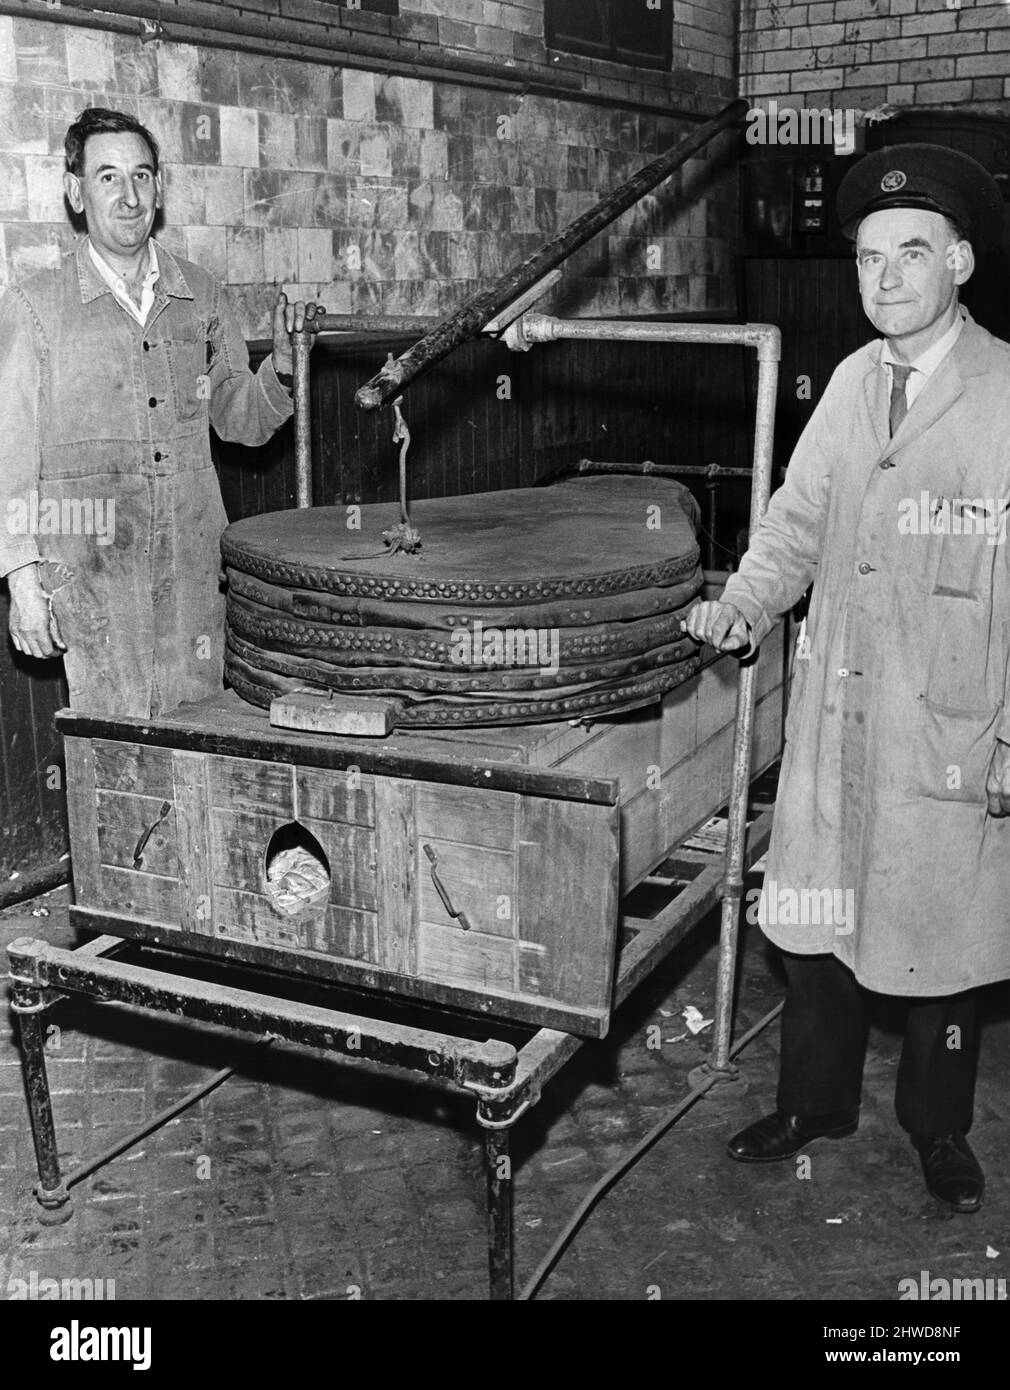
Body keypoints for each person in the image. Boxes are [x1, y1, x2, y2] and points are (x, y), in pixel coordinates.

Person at [686, 144, 1010, 1214]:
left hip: (952, 720)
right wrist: (744, 599)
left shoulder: (1004, 391)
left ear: (958, 262)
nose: (883, 278)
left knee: (942, 942)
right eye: (867, 259)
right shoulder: (848, 385)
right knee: (817, 916)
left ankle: (938, 1128)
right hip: (840, 704)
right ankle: (815, 1104)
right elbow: (794, 519)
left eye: (909, 254)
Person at [0, 107, 319, 718]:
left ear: (160, 187)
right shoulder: (34, 306)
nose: (128, 197)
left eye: (141, 177)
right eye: (108, 177)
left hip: (195, 573)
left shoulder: (202, 295)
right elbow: (9, 455)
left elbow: (237, 420)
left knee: (201, 739)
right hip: (92, 579)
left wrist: (280, 368)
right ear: (76, 191)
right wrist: (21, 580)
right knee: (114, 755)